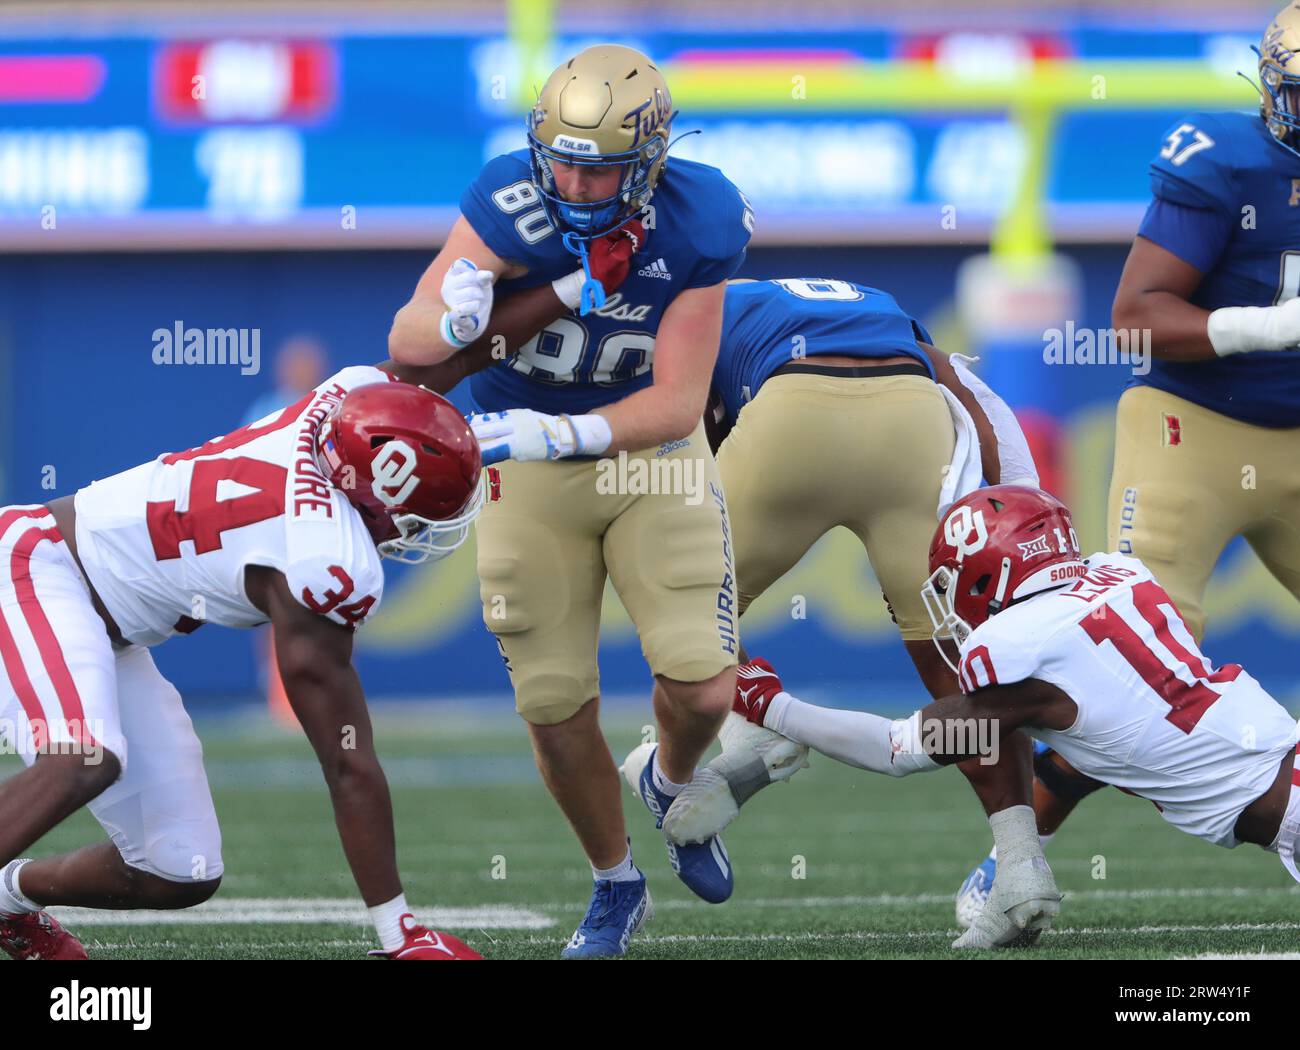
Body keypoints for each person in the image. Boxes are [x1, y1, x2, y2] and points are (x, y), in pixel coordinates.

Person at [389, 43, 753, 958]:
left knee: (704, 686)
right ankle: (616, 882)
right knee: (553, 703)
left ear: (651, 160)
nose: (576, 184)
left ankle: (669, 781)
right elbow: (409, 343)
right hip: (526, 464)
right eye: (564, 162)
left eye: (600, 169)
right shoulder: (507, 201)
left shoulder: (699, 217)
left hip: (648, 456)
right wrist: (457, 317)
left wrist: (567, 433)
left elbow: (676, 401)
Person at [957, 2, 1300, 927]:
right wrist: (1276, 326)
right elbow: (1136, 315)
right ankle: (1015, 856)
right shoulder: (1226, 162)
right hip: (1195, 425)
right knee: (1131, 662)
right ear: (1272, 90)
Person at [0, 369, 485, 960]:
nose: (410, 532)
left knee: (179, 867)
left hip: (105, 629)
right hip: (34, 565)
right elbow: (347, 760)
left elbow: (425, 363)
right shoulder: (325, 559)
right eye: (411, 516)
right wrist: (398, 932)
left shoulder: (340, 404)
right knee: (82, 757)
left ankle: (7, 899)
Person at [726, 486, 1299, 949]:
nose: (950, 603)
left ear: (989, 573)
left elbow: (897, 748)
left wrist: (774, 705)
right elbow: (1118, 728)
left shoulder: (1025, 654)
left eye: (953, 581)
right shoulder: (1120, 578)